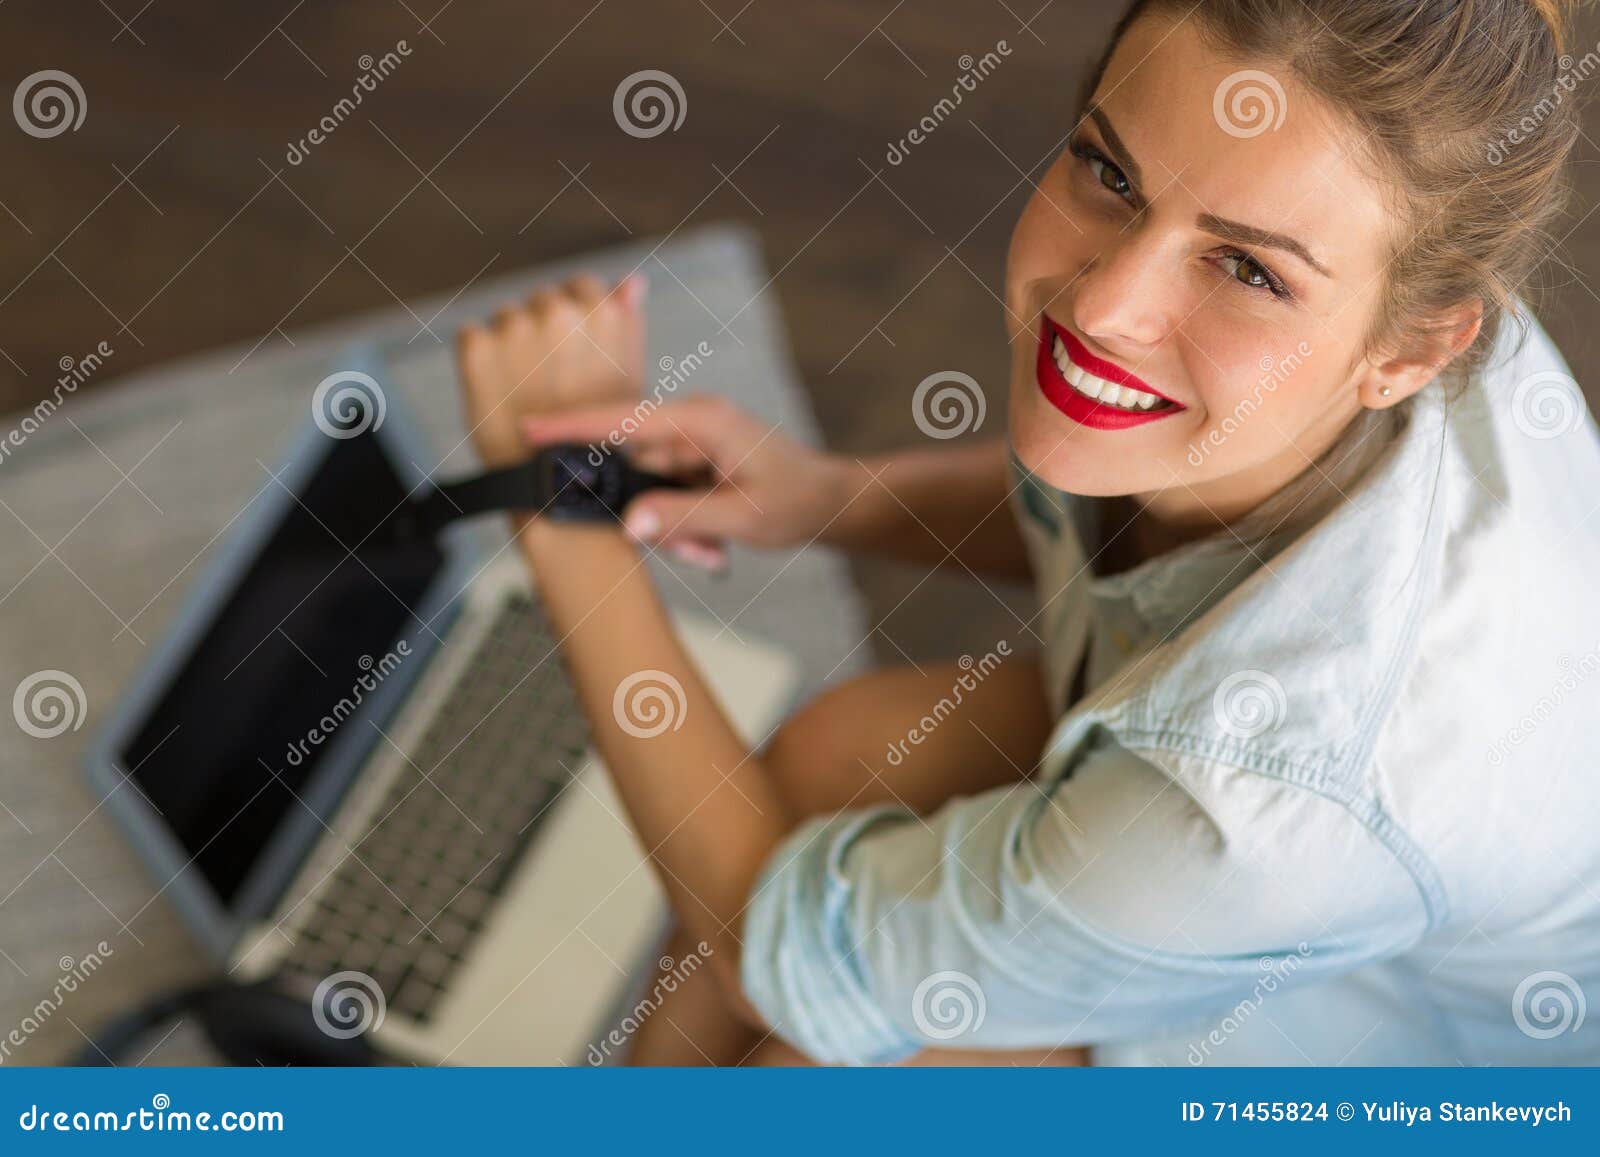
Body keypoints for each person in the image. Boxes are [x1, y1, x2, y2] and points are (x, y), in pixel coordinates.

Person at [452, 0, 1599, 1066]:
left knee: (798, 1066)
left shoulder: (1251, 808)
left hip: (1377, 1040)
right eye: (1110, 172)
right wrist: (825, 497)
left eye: (1246, 267)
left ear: (1413, 351)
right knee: (832, 756)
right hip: (1267, 843)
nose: (1100, 306)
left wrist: (559, 512)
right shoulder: (1386, 285)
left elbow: (780, 959)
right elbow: (1114, 487)